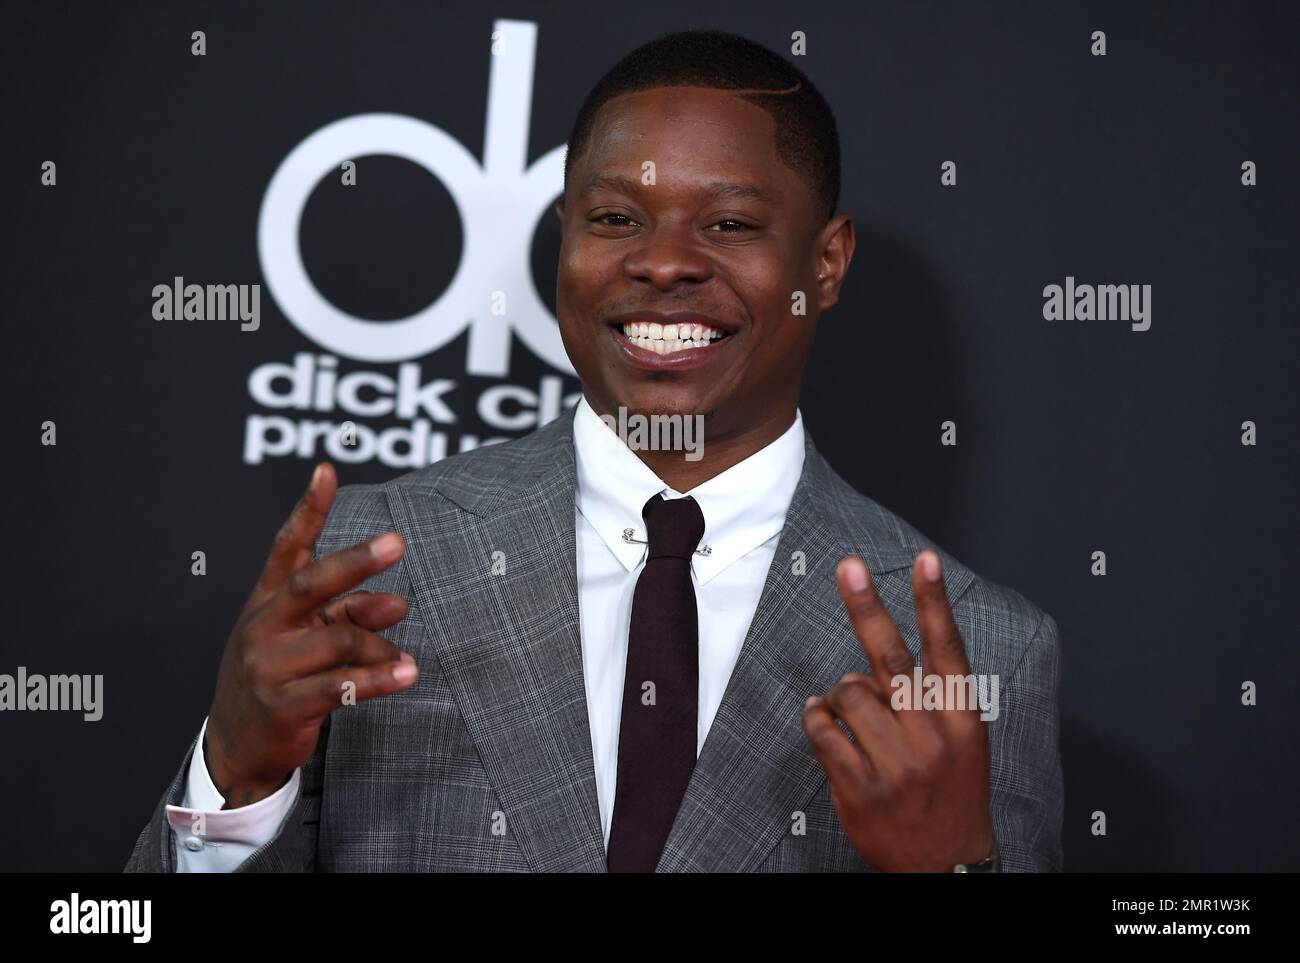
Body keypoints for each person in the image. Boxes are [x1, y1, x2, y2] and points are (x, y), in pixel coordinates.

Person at [126, 28, 1062, 873]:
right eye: (616, 219)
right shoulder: (374, 557)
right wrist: (235, 783)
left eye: (729, 224)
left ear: (825, 262)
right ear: (563, 237)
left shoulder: (987, 651)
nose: (663, 262)